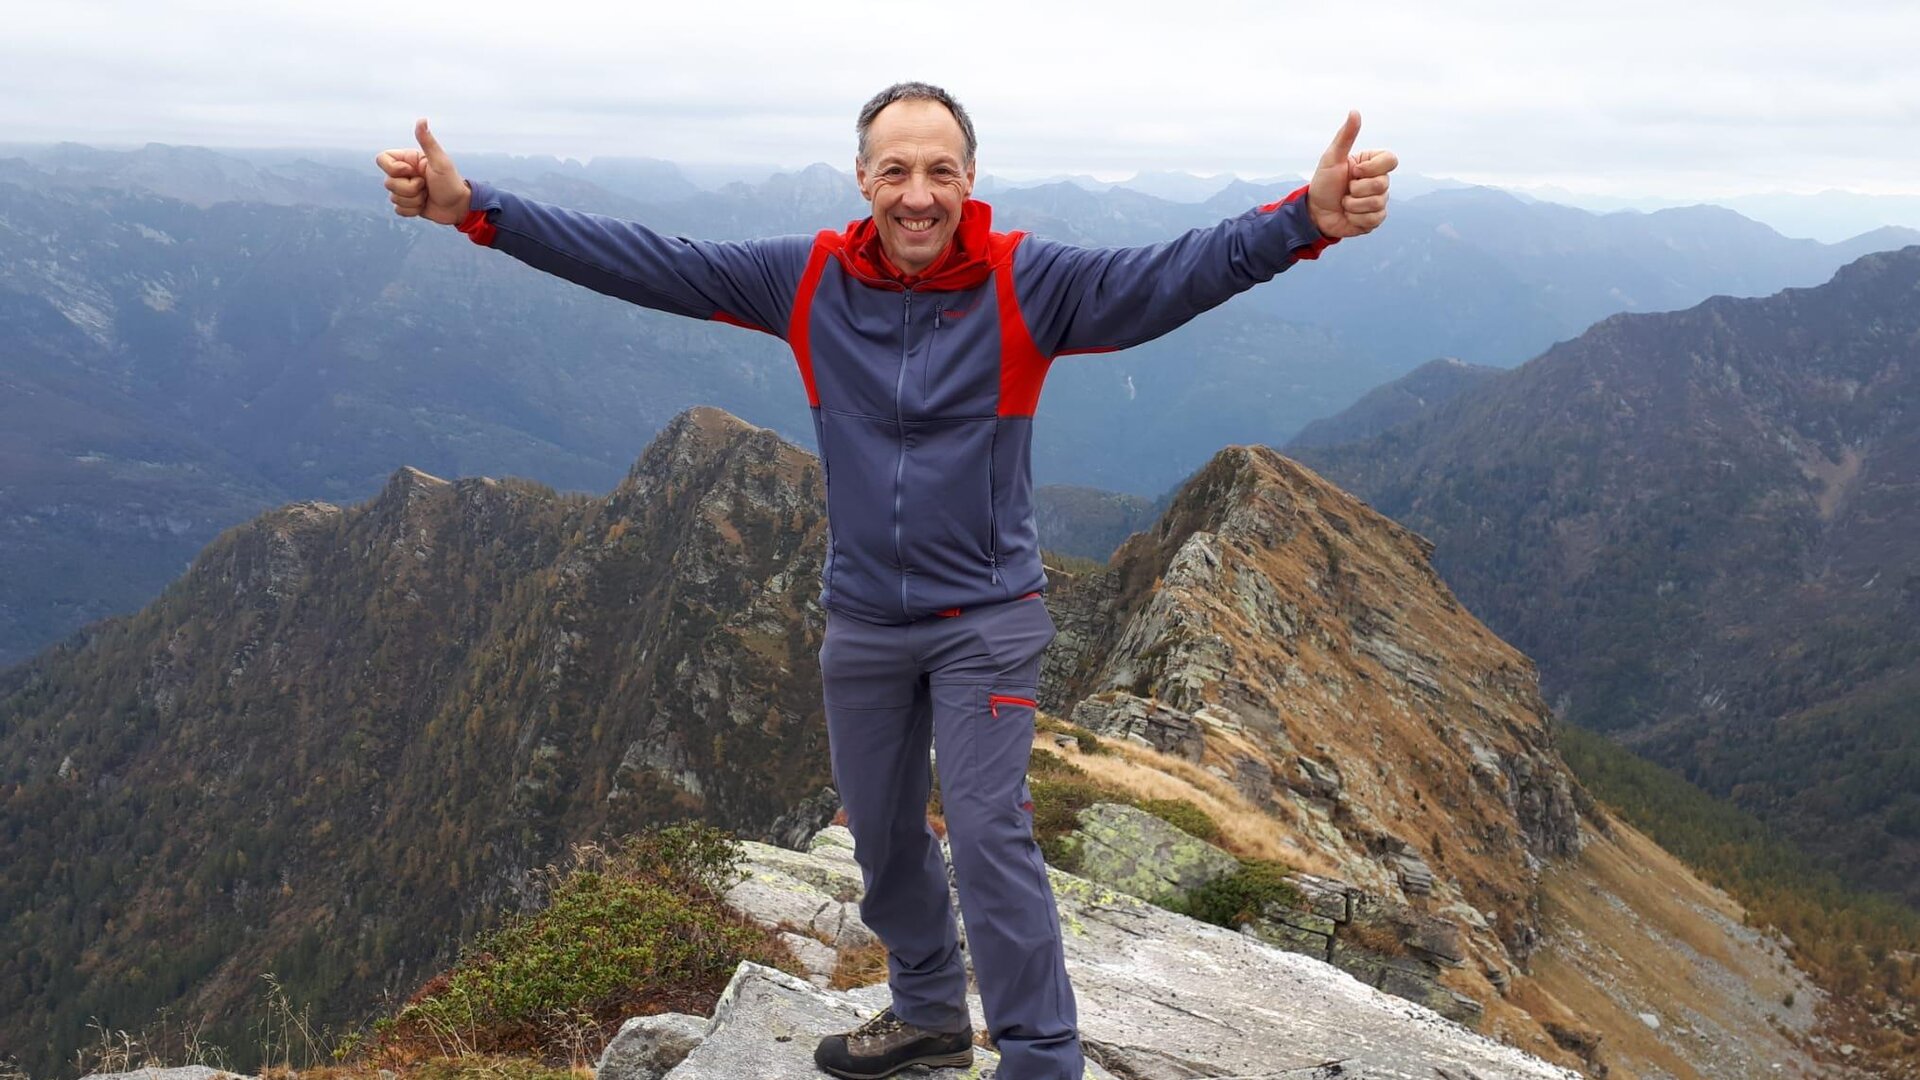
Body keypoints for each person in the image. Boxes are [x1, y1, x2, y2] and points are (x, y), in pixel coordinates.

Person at [376, 81, 1395, 1080]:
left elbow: (1175, 272)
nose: (919, 194)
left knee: (991, 832)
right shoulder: (806, 279)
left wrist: (1302, 219)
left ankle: (1041, 1056)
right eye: (897, 170)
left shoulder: (1025, 285)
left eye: (939, 171)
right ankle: (926, 1015)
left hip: (987, 619)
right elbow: (650, 263)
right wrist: (476, 212)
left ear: (971, 179)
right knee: (883, 834)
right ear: (862, 179)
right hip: (863, 619)